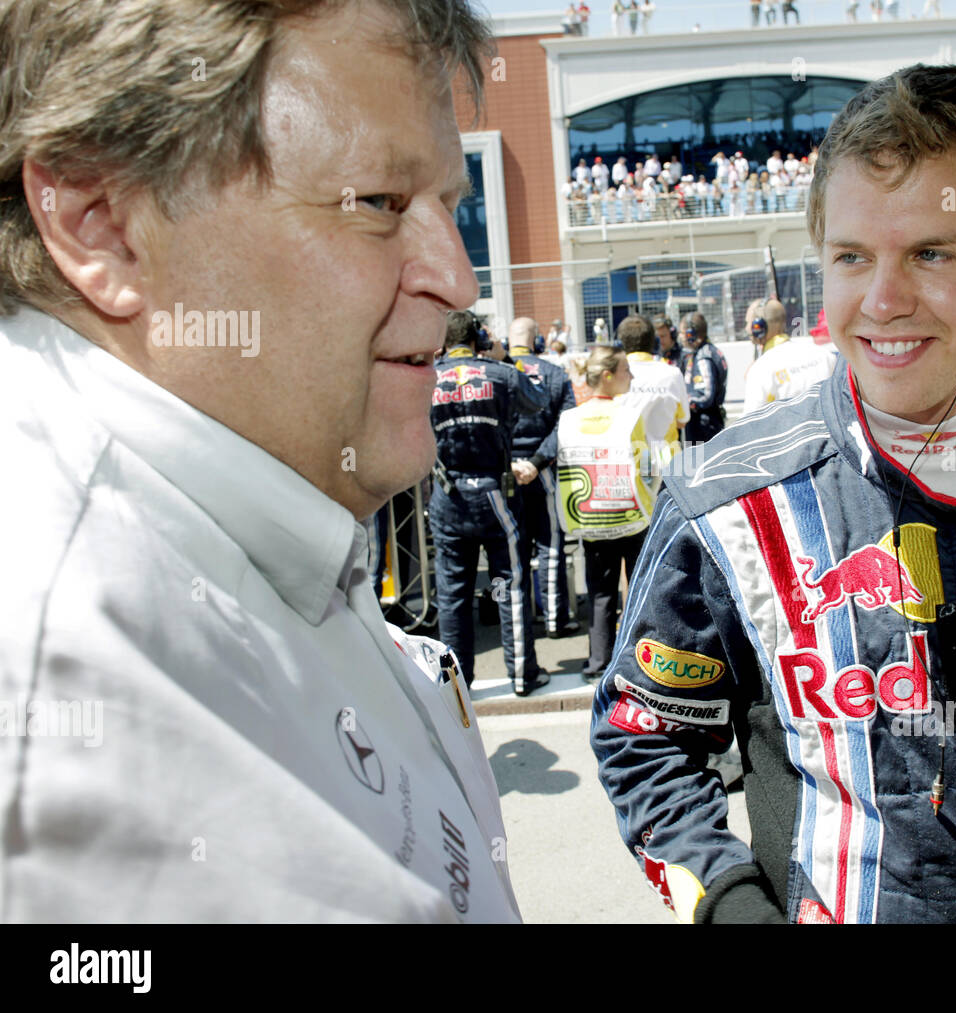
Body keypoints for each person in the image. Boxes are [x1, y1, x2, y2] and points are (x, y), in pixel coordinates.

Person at [591, 64, 956, 924]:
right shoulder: (725, 498)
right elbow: (641, 742)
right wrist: (730, 903)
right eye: (850, 257)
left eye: (930, 253)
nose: (881, 300)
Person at [0, 0, 520, 922]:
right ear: (103, 223)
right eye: (378, 203)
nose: (459, 277)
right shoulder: (72, 683)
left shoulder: (253, 490)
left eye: (451, 204)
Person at [429, 311, 548, 696]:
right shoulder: (499, 371)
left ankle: (455, 687)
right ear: (480, 338)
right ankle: (522, 677)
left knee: (452, 593)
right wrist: (504, 358)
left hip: (447, 495)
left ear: (441, 341)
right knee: (508, 585)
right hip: (495, 494)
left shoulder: (428, 375)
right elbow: (538, 401)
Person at [556, 347, 659, 681]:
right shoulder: (630, 415)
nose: (631, 375)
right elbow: (648, 469)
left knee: (600, 594)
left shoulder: (569, 418)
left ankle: (598, 663)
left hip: (590, 519)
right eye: (626, 369)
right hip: (631, 516)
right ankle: (640, 661)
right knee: (641, 591)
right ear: (608, 376)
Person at [507, 318, 581, 641]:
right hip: (545, 470)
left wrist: (510, 463)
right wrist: (537, 462)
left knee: (512, 553)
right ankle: (555, 620)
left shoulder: (497, 372)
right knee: (550, 546)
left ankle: (517, 621)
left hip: (506, 474)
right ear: (537, 340)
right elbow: (567, 424)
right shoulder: (554, 373)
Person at [742, 297, 835, 414]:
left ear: (759, 327)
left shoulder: (760, 370)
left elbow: (750, 422)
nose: (746, 328)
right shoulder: (825, 356)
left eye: (748, 323)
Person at [619, 314, 690, 464]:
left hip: (628, 461)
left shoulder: (615, 375)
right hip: (666, 462)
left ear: (622, 342)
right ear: (653, 340)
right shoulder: (672, 373)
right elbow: (683, 421)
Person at [680, 312, 729, 444]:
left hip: (703, 424)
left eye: (682, 332)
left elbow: (705, 395)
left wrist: (683, 402)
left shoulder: (703, 358)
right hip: (704, 422)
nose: (680, 336)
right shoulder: (703, 352)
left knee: (699, 463)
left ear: (691, 334)